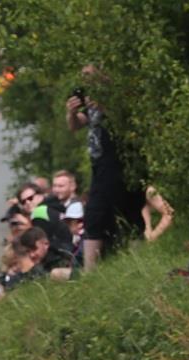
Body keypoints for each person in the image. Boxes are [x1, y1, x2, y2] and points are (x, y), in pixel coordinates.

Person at [66, 67, 145, 270]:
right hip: (99, 166)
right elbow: (75, 126)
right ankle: (90, 273)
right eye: (84, 77)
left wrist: (104, 106)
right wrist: (71, 113)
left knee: (130, 212)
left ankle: (138, 265)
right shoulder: (90, 103)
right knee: (94, 216)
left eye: (90, 76)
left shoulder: (120, 97)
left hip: (121, 164)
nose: (87, 81)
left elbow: (131, 122)